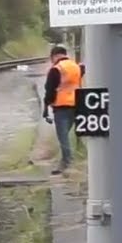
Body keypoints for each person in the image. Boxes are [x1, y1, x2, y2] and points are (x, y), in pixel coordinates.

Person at [43, 45, 83, 175]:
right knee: (66, 134)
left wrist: (47, 104)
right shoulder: (76, 66)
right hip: (77, 103)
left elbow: (50, 89)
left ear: (54, 56)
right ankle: (67, 160)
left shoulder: (56, 69)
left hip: (61, 105)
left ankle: (67, 162)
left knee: (63, 136)